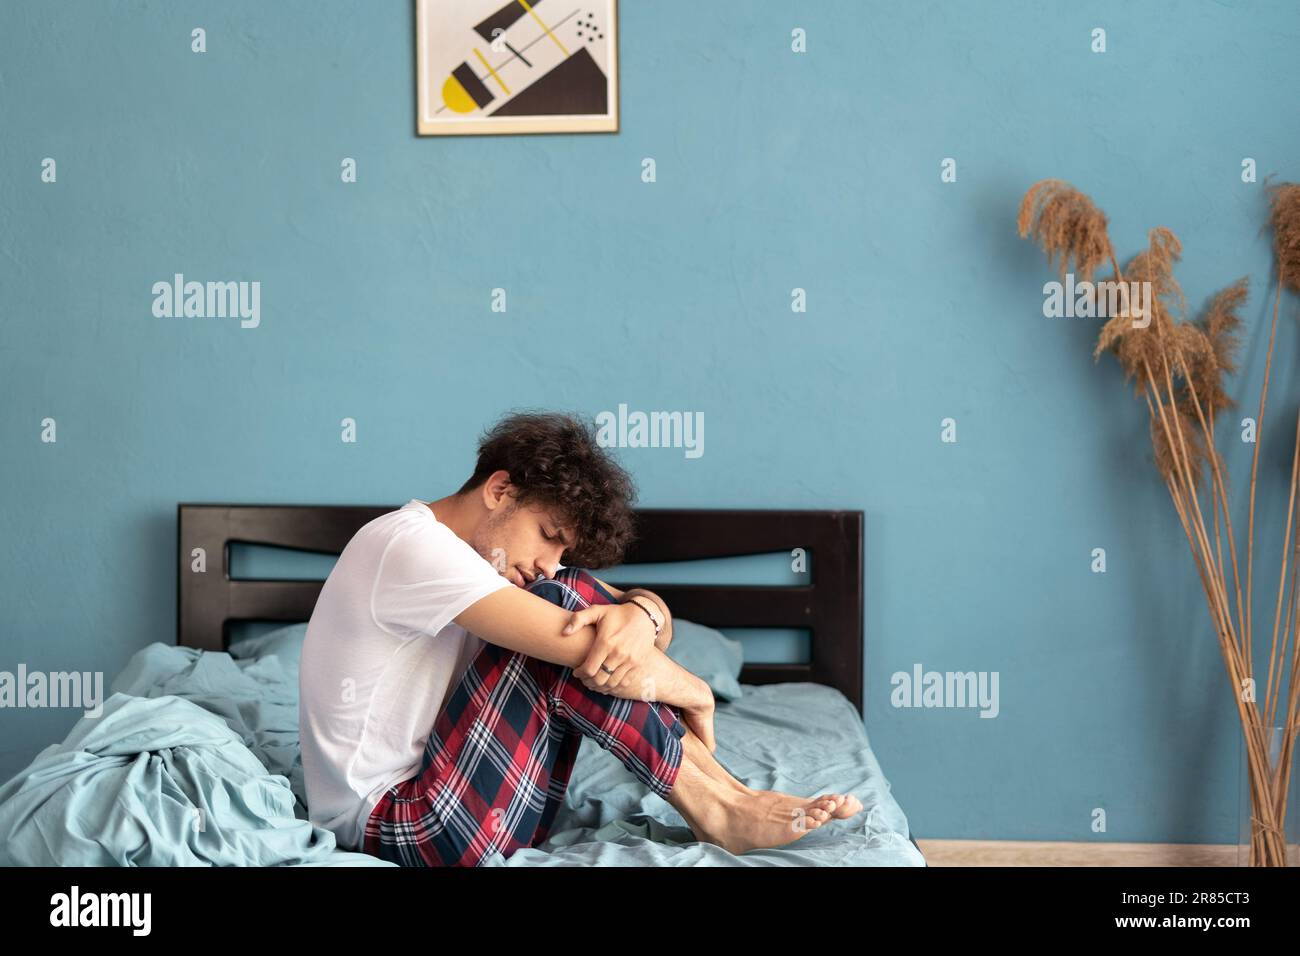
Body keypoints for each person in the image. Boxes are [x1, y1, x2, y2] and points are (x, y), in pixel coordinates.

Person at [298, 410, 861, 866]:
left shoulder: (492, 565)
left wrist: (641, 611)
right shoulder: (407, 545)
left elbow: (633, 629)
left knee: (573, 595)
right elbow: (582, 639)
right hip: (404, 825)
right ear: (499, 490)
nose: (546, 562)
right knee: (563, 608)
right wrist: (695, 691)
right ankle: (717, 805)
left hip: (498, 807)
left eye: (561, 549)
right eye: (547, 536)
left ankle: (729, 798)